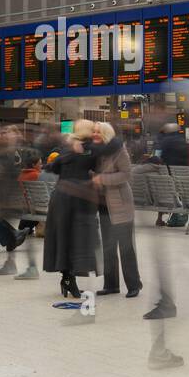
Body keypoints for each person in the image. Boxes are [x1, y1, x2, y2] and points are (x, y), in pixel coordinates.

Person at [43, 119, 118, 298]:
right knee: (77, 241)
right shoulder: (90, 148)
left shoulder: (68, 147)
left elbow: (52, 167)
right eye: (93, 129)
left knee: (63, 238)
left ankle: (67, 279)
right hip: (78, 199)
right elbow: (115, 145)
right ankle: (69, 279)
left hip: (60, 197)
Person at [92, 122, 142, 298]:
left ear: (106, 134)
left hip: (120, 205)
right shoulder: (95, 152)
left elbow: (126, 174)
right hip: (104, 205)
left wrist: (102, 179)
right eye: (94, 131)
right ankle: (111, 284)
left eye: (98, 132)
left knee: (125, 246)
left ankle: (134, 285)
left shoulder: (118, 150)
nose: (94, 134)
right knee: (108, 247)